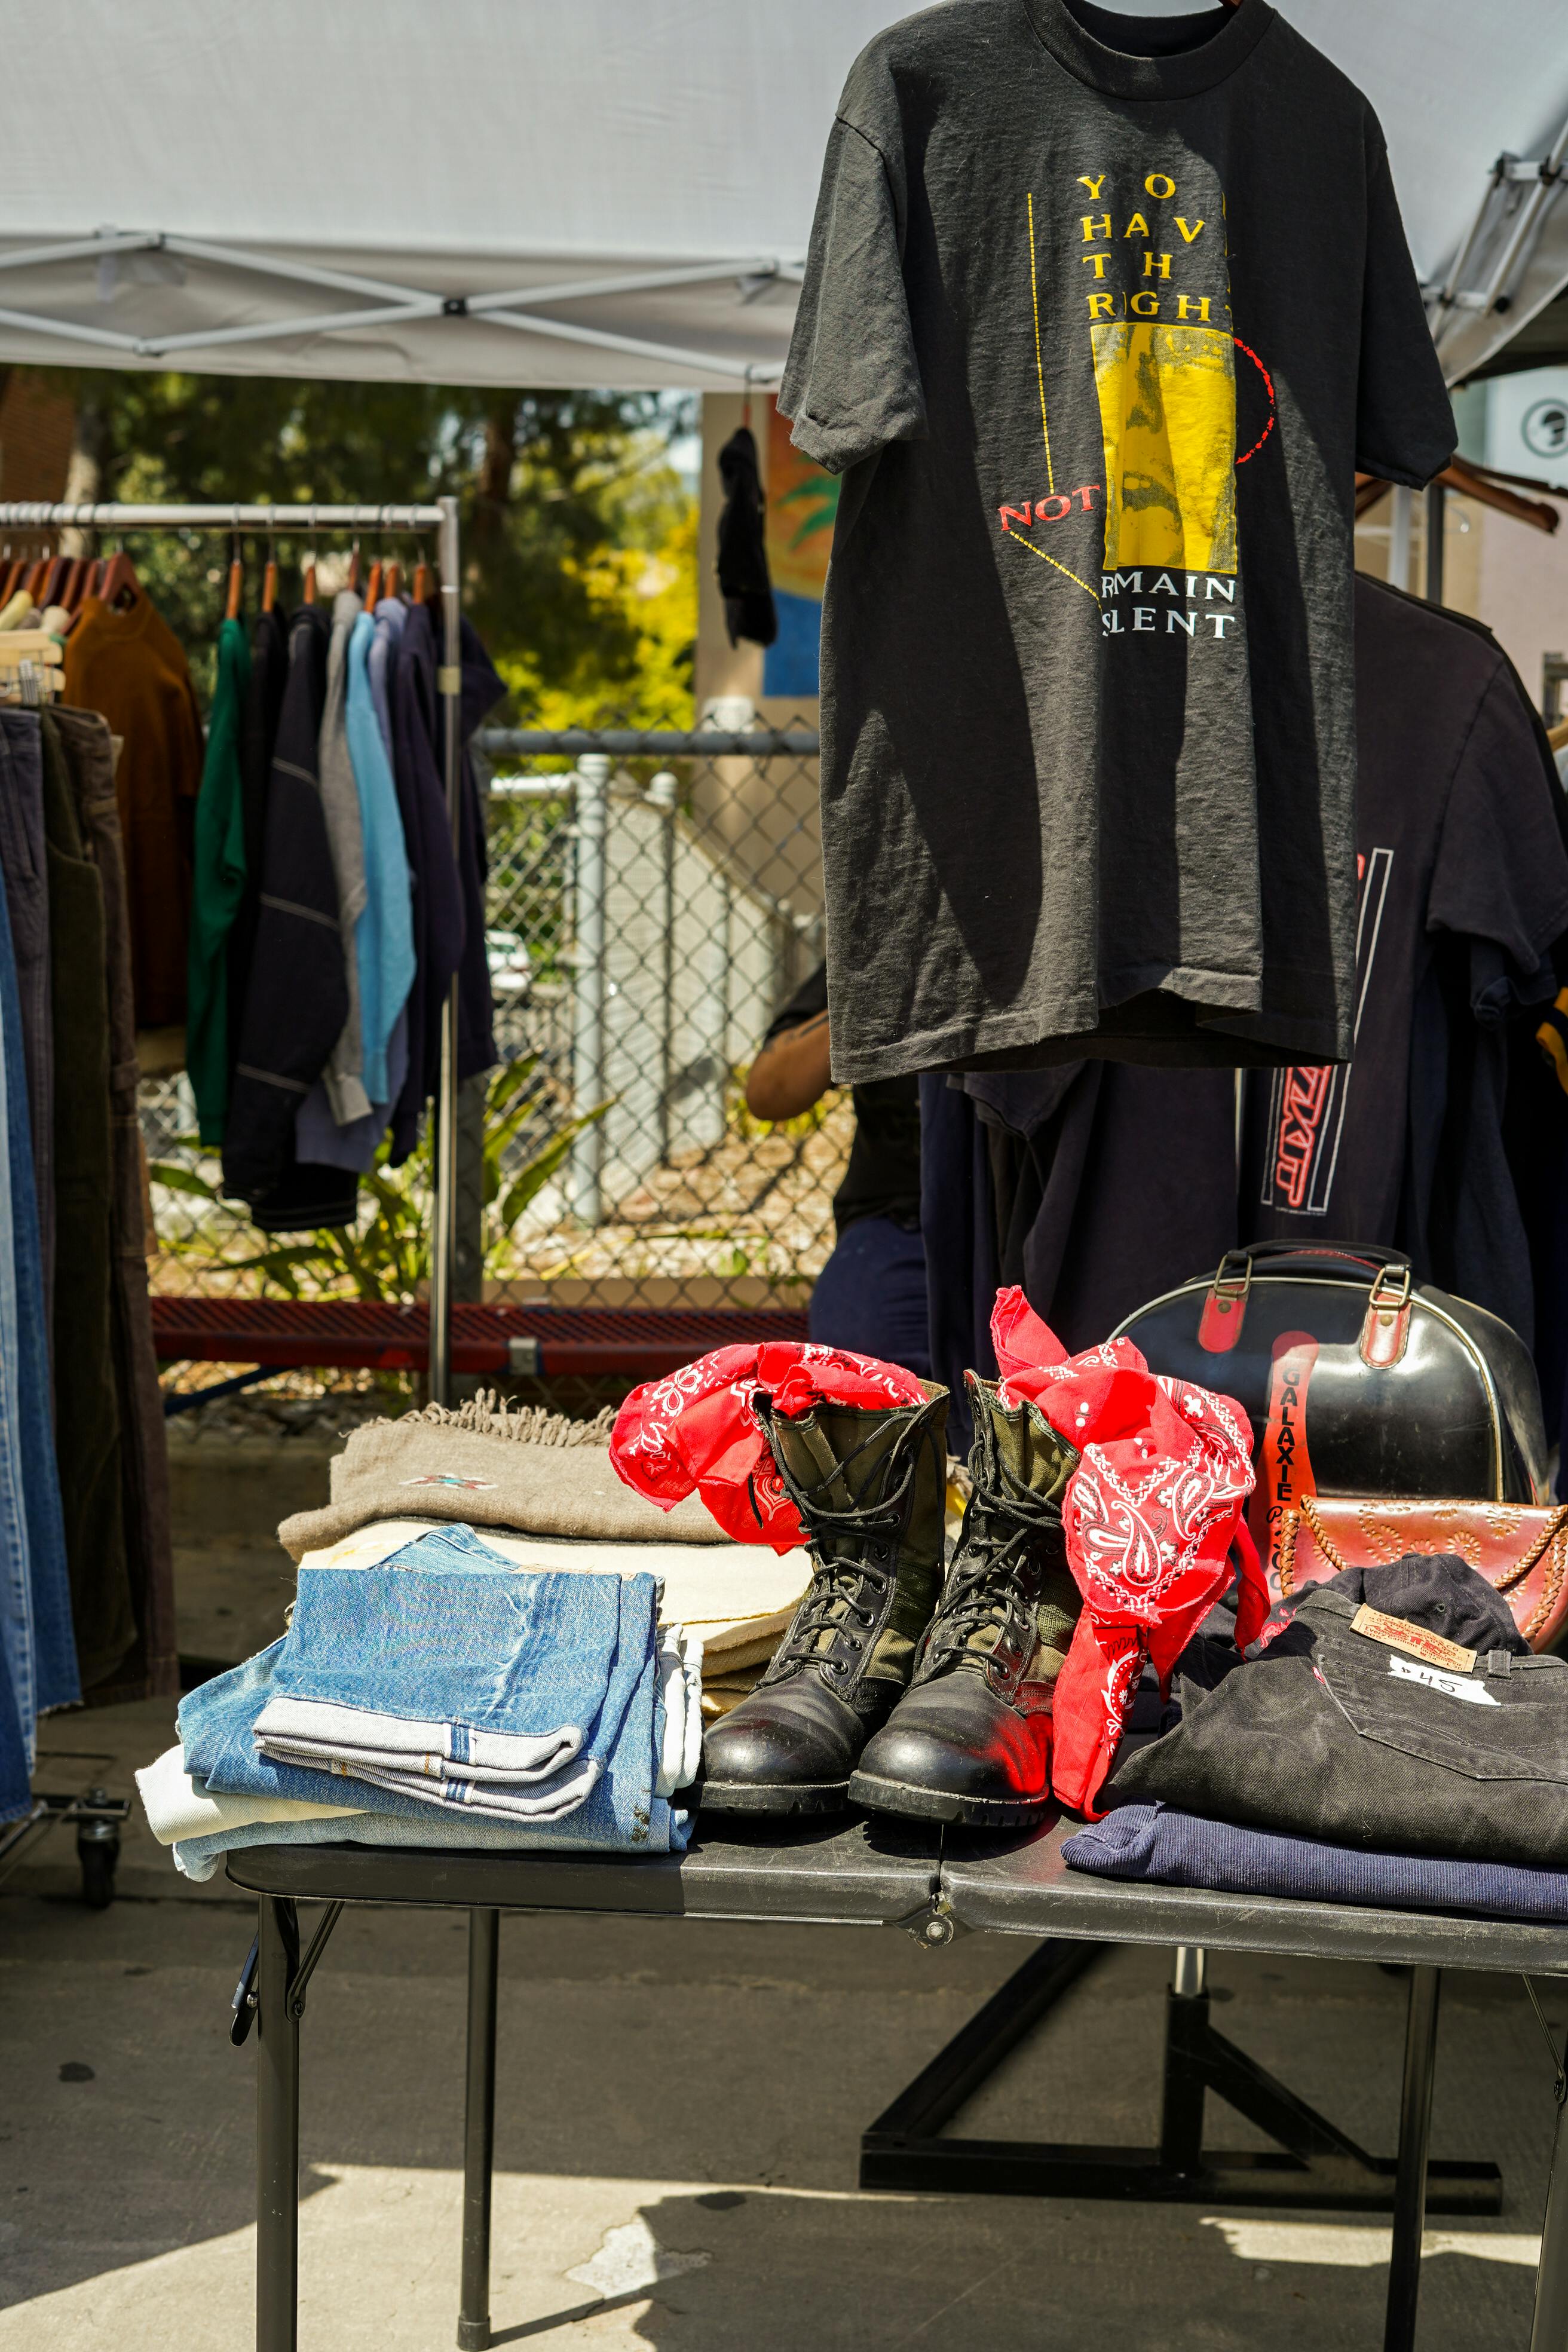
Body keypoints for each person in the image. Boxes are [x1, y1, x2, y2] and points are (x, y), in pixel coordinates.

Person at [745, 962, 929, 1376]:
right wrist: (889, 978)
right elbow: (768, 1093)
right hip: (901, 1217)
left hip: (1035, 1203)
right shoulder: (890, 925)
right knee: (860, 1369)